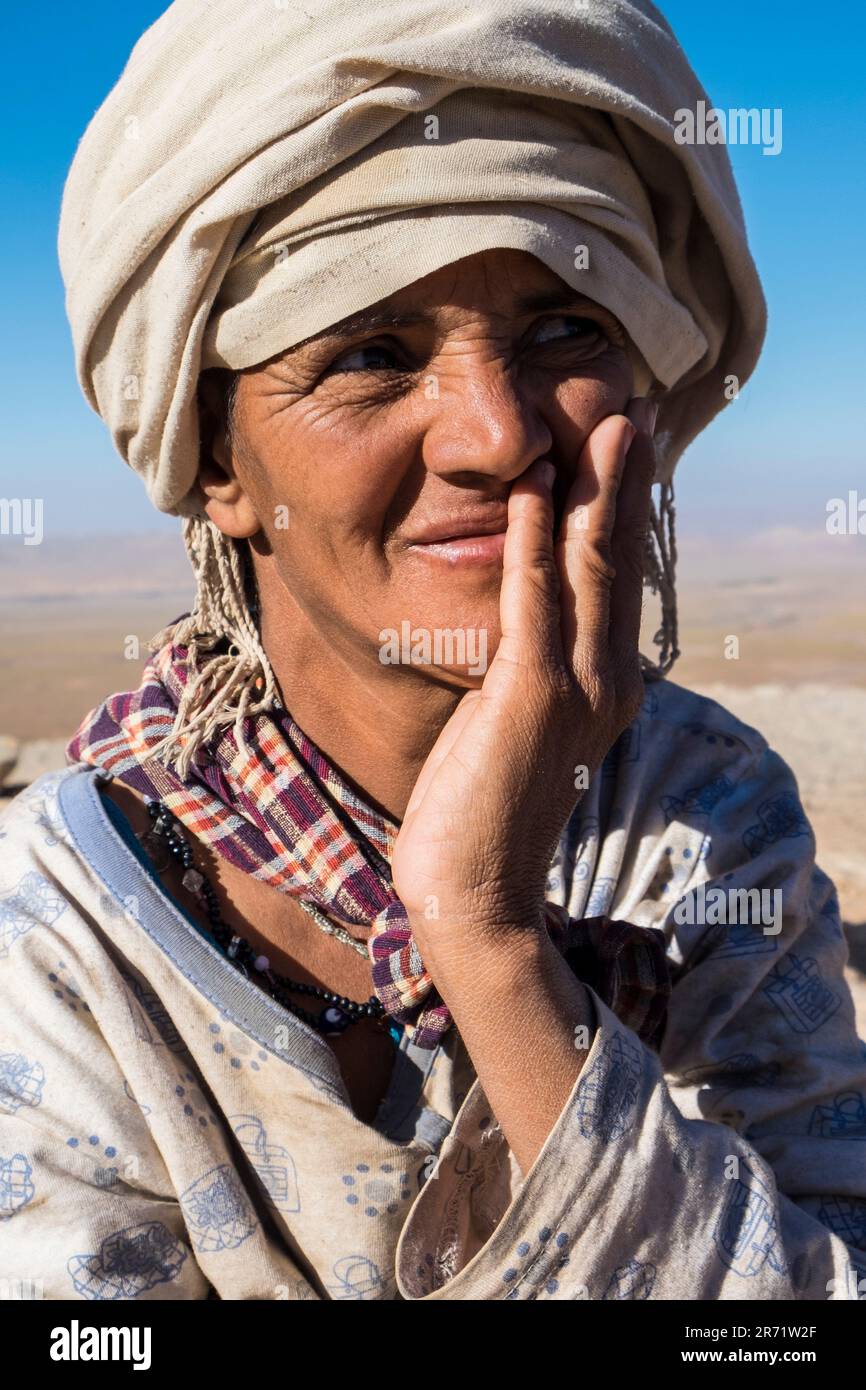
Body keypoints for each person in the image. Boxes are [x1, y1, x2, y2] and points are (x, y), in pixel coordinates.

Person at [1, 0, 864, 1302]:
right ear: (218, 459)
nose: (493, 435)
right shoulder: (63, 931)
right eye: (370, 354)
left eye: (565, 329)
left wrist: (484, 932)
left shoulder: (698, 814)